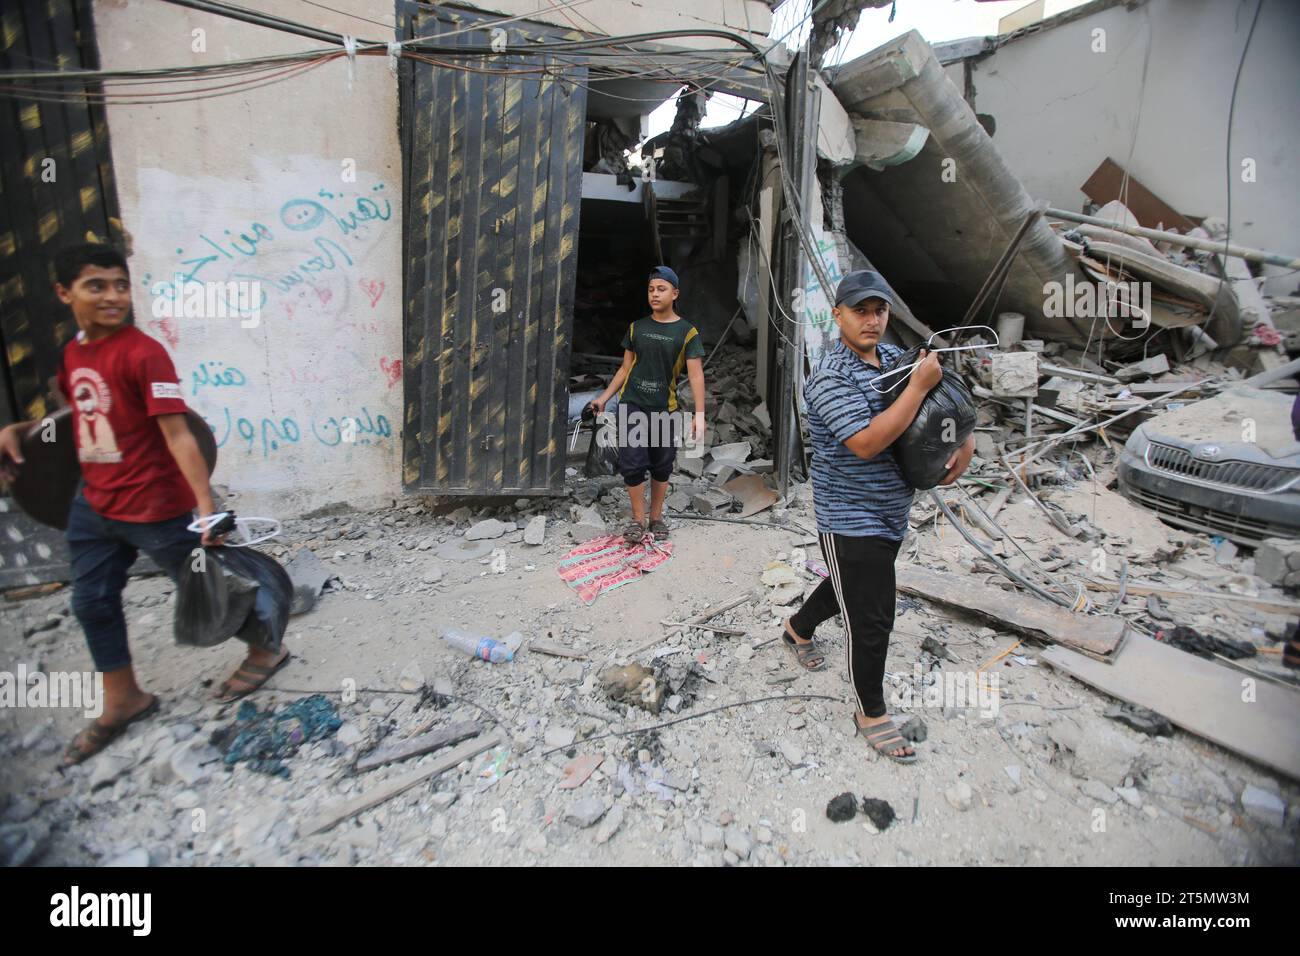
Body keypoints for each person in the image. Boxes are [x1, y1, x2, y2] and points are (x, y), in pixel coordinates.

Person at [0, 244, 289, 766]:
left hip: (156, 504)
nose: (113, 297)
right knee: (91, 602)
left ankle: (267, 647)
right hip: (93, 504)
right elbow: (82, 416)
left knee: (205, 587)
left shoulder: (145, 353)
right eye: (97, 286)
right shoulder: (76, 352)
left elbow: (178, 435)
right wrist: (22, 430)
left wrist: (204, 507)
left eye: (120, 285)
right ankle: (124, 697)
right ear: (65, 294)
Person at [783, 270, 975, 763]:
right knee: (873, 617)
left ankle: (797, 629)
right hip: (848, 514)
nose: (872, 321)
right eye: (861, 311)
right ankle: (870, 712)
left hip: (893, 506)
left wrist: (963, 443)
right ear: (838, 315)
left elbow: (943, 402)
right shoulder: (828, 377)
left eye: (880, 311)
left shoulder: (894, 358)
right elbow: (866, 443)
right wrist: (919, 386)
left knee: (853, 584)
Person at [590, 266, 706, 543]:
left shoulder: (687, 332)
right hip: (633, 404)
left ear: (675, 293)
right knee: (632, 464)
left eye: (661, 289)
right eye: (652, 289)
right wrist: (604, 398)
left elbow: (696, 374)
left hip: (665, 407)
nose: (655, 294)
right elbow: (624, 369)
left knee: (662, 464)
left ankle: (656, 518)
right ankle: (638, 520)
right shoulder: (637, 328)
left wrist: (700, 414)